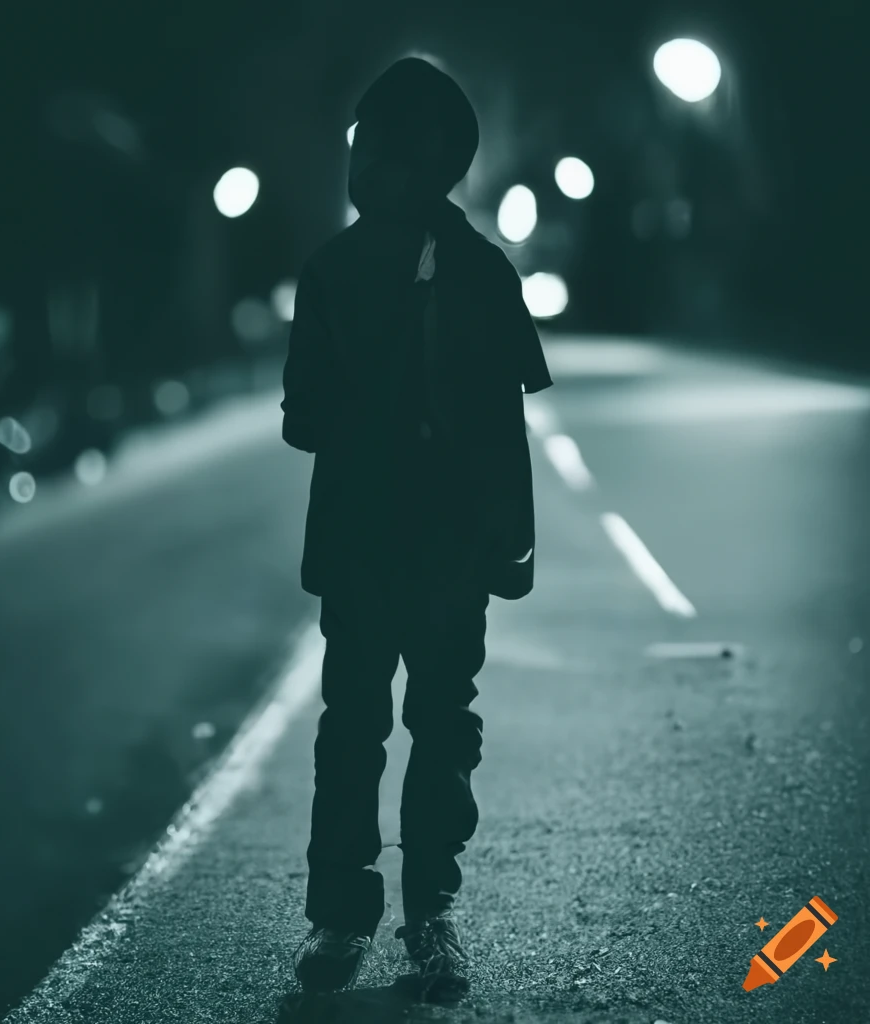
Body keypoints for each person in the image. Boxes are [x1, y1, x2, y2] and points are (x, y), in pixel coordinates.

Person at [282, 56, 553, 1000]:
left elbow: (301, 419)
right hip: (447, 545)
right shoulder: (482, 270)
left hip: (369, 539)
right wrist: (513, 539)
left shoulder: (331, 271)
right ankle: (427, 920)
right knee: (441, 728)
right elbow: (508, 424)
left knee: (355, 728)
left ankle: (342, 922)